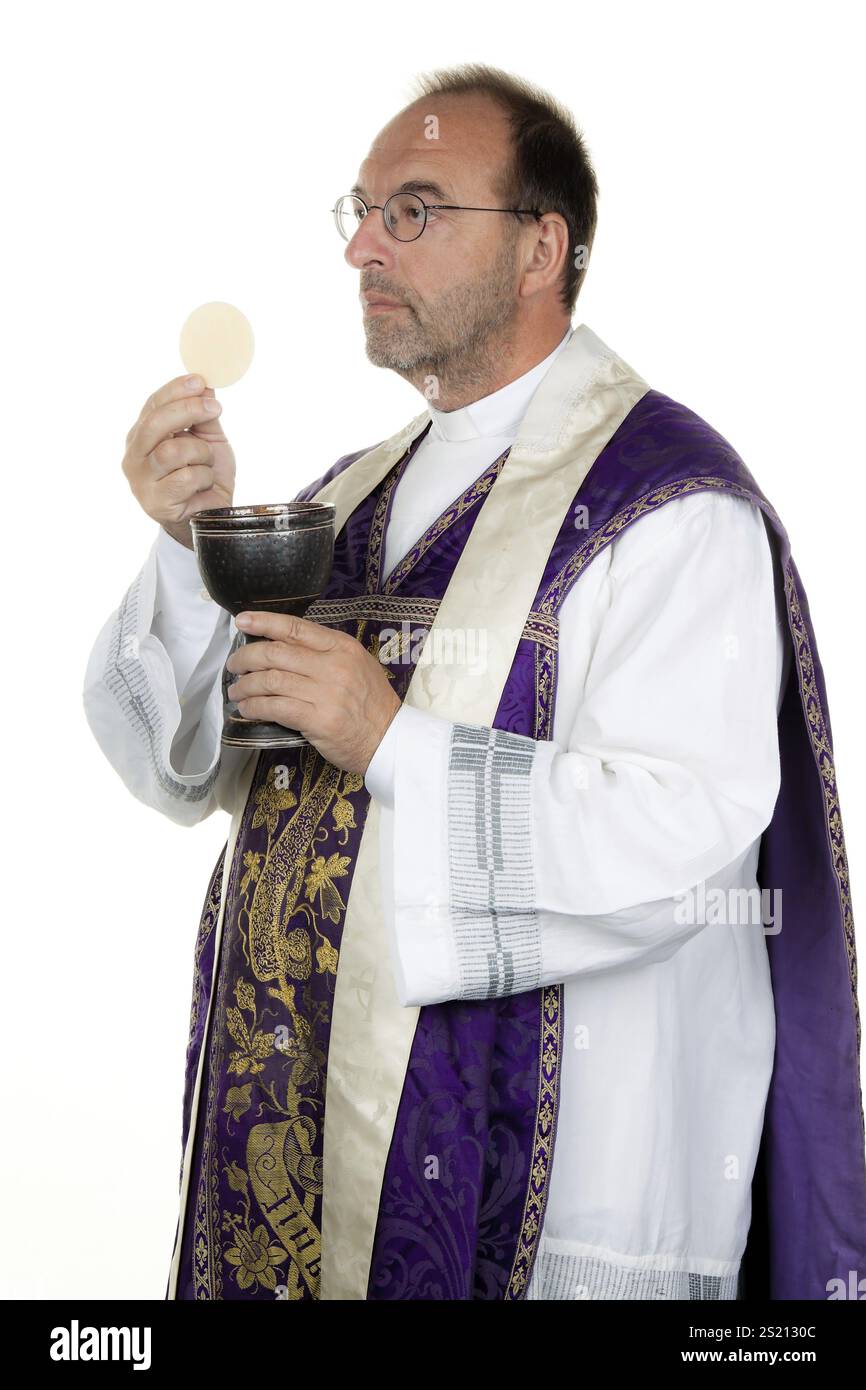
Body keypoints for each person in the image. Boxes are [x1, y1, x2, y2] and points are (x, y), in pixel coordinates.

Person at [82, 63, 866, 1301]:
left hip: (551, 1188)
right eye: (359, 211)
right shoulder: (350, 493)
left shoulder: (667, 505)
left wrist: (392, 742)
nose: (363, 251)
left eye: (414, 209)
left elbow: (686, 830)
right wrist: (193, 549)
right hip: (290, 1158)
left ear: (539, 246)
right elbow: (186, 768)